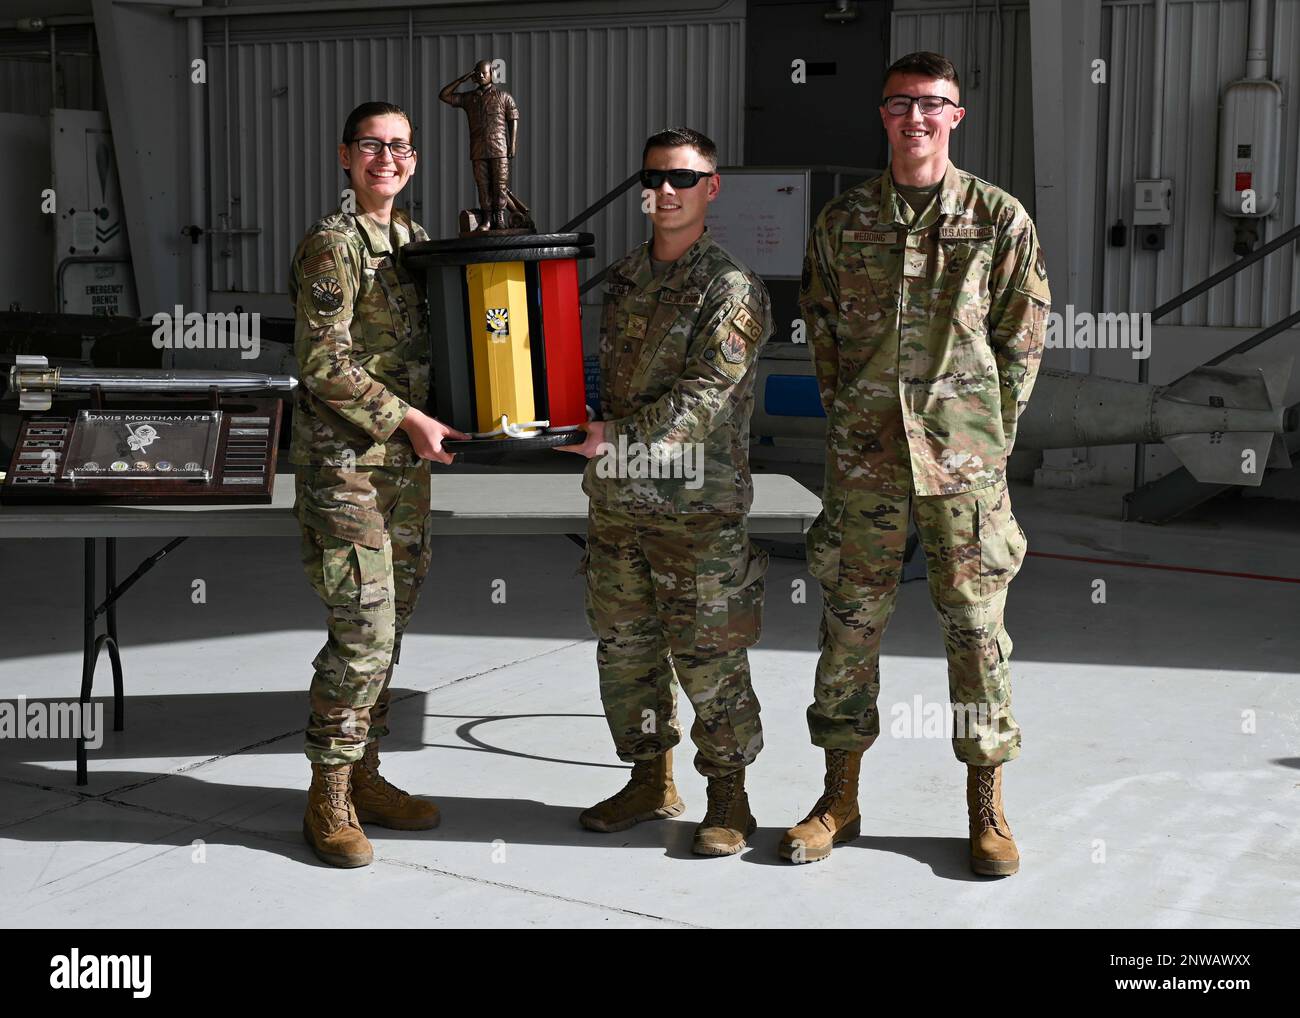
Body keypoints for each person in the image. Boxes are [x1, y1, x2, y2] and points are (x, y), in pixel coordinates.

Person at [783, 52, 1050, 875]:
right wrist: (859, 417)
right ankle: (840, 798)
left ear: (955, 117)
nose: (917, 118)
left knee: (976, 635)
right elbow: (821, 330)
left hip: (963, 470)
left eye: (933, 105)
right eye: (902, 104)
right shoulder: (842, 222)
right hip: (866, 463)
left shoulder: (998, 220)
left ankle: (986, 806)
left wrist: (984, 438)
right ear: (884, 115)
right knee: (848, 631)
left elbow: (1022, 338)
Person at [557, 127, 773, 856]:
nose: (670, 190)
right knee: (628, 656)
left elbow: (706, 394)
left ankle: (730, 796)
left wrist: (610, 437)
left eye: (686, 177)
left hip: (697, 514)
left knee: (710, 658)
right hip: (620, 507)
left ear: (711, 189)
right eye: (658, 177)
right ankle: (651, 779)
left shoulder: (730, 286)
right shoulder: (621, 279)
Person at [290, 100, 468, 868]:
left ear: (414, 160)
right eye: (371, 146)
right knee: (363, 629)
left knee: (392, 627)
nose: (385, 158)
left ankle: (365, 772)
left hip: (405, 469)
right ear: (345, 157)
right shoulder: (333, 246)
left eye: (398, 147)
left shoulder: (417, 243)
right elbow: (323, 363)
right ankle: (327, 793)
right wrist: (407, 420)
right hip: (348, 466)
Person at [438, 60, 519, 231]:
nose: (481, 75)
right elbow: (444, 95)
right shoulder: (469, 98)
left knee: (500, 185)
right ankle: (487, 219)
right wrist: (461, 79)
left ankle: (499, 218)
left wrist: (512, 145)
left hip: (499, 149)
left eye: (484, 72)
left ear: (492, 75)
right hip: (478, 149)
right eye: (478, 73)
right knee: (482, 186)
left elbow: (513, 120)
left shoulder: (504, 97)